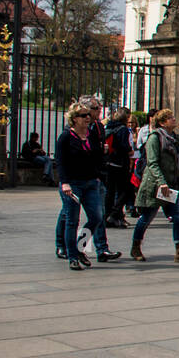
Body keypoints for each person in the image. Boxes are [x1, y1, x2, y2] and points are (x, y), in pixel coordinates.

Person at [55, 102, 121, 269]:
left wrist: (102, 155)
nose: (88, 118)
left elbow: (96, 158)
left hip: (91, 182)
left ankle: (79, 247)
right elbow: (60, 162)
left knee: (97, 217)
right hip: (72, 184)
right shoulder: (66, 137)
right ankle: (73, 257)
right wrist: (65, 183)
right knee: (72, 221)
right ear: (74, 119)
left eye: (88, 115)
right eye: (84, 115)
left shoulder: (90, 135)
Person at [130, 108, 179, 264]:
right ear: (162, 122)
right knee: (147, 217)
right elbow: (152, 163)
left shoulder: (173, 138)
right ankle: (136, 246)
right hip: (157, 185)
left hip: (174, 184)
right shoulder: (155, 138)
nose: (174, 119)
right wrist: (161, 182)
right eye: (170, 117)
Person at [103, 108, 132, 226]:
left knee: (110, 192)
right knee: (125, 191)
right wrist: (129, 150)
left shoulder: (109, 127)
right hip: (120, 163)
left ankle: (108, 216)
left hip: (109, 162)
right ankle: (115, 214)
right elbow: (123, 146)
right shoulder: (123, 129)